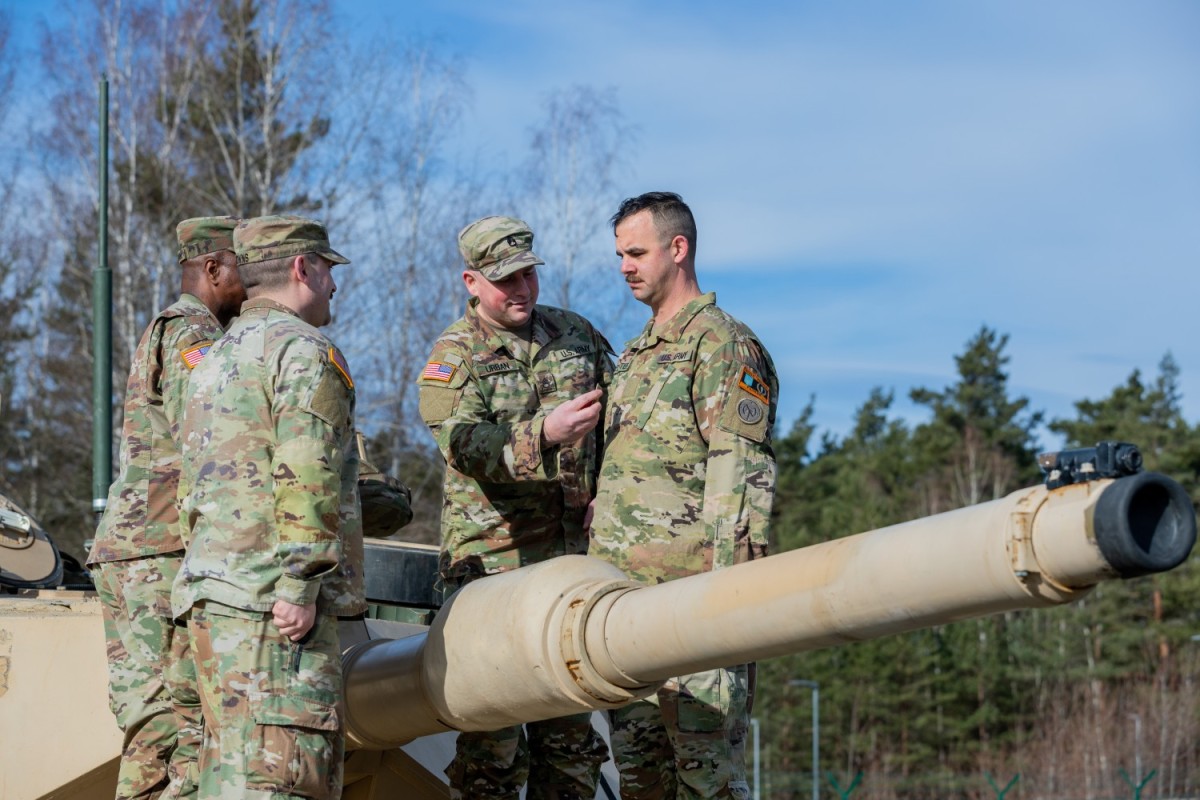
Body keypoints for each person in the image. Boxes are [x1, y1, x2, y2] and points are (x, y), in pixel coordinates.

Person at [588, 192, 779, 800]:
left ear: (678, 248)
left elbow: (740, 478)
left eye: (637, 252)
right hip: (623, 618)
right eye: (619, 254)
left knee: (707, 782)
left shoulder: (722, 346)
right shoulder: (638, 355)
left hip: (694, 614)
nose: (625, 266)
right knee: (641, 782)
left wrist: (728, 603)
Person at [417, 215, 612, 799]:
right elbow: (462, 444)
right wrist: (544, 434)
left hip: (569, 565)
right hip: (492, 571)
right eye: (506, 280)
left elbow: (625, 422)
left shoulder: (575, 335)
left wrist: (611, 490)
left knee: (572, 749)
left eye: (528, 274)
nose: (523, 289)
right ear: (471, 282)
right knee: (492, 753)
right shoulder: (454, 356)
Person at [171, 215, 362, 800]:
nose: (334, 286)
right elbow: (306, 469)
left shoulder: (214, 360)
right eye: (328, 270)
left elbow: (197, 487)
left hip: (212, 601)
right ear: (304, 269)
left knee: (231, 776)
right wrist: (301, 585)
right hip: (270, 613)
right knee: (281, 777)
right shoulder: (304, 350)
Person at [88, 216, 245, 800]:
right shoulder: (189, 334)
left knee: (161, 717)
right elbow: (211, 428)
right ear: (212, 269)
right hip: (154, 548)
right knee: (172, 719)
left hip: (143, 546)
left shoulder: (185, 331)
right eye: (243, 270)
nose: (253, 285)